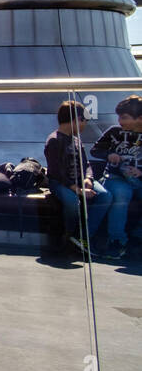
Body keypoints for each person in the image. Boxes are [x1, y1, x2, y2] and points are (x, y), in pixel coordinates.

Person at [46, 100, 113, 255]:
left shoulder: (76, 140)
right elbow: (57, 172)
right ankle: (69, 235)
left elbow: (85, 163)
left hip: (80, 180)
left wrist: (88, 178)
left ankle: (84, 236)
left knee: (105, 196)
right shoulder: (54, 140)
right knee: (72, 201)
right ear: (77, 120)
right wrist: (77, 189)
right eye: (85, 121)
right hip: (61, 182)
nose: (85, 125)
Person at [90, 95, 142, 260]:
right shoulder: (114, 132)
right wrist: (110, 154)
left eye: (124, 117)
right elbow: (95, 150)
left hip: (139, 180)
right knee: (121, 195)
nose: (120, 121)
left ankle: (137, 238)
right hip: (116, 177)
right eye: (119, 116)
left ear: (139, 118)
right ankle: (117, 241)